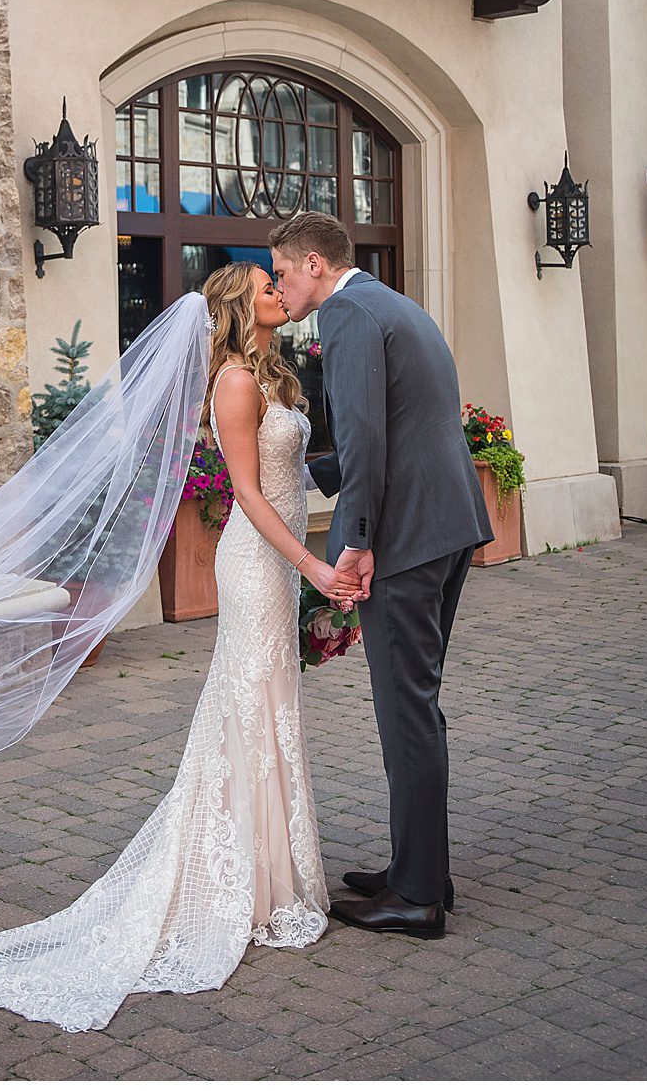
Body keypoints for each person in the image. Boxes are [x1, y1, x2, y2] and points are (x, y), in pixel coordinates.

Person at [0, 262, 364, 1030]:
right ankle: (239, 877)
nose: (281, 288)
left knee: (269, 703)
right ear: (243, 306)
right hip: (258, 561)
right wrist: (309, 562)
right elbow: (246, 492)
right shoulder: (236, 382)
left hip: (281, 560)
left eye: (281, 281)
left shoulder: (280, 376)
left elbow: (297, 473)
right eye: (267, 285)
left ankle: (274, 875)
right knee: (251, 702)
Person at [270, 212, 492, 939]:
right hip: (445, 523)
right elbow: (401, 424)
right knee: (414, 703)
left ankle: (419, 895)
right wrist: (304, 470)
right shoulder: (391, 304)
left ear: (312, 263)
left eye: (280, 273)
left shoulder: (348, 314)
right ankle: (417, 868)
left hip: (406, 536)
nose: (279, 287)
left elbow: (366, 432)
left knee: (406, 710)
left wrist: (356, 540)